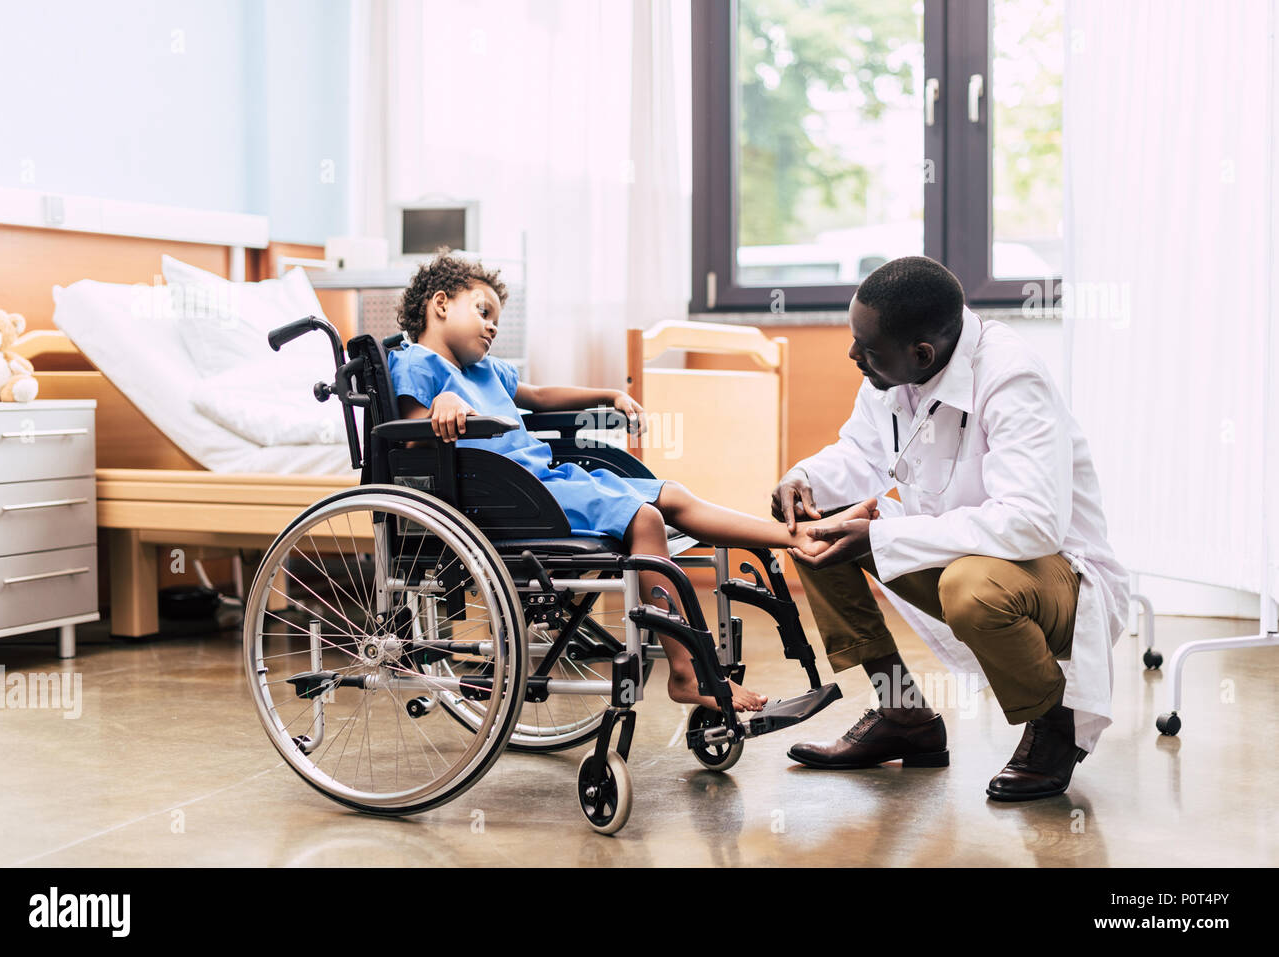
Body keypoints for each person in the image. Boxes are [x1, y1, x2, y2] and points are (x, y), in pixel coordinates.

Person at [387, 251, 877, 715]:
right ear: (441, 304)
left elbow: (536, 395)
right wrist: (440, 408)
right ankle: (687, 674)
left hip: (542, 484)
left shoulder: (484, 369)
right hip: (500, 498)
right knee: (646, 520)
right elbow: (410, 437)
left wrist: (609, 392)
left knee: (673, 496)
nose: (493, 325)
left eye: (496, 316)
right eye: (483, 310)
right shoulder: (415, 362)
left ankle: (800, 536)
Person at [775, 255, 1129, 801]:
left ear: (923, 352)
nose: (852, 355)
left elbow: (1032, 523)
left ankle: (1054, 728)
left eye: (866, 348)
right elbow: (858, 451)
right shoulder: (894, 372)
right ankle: (905, 716)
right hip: (960, 553)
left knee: (969, 588)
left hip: (1059, 578)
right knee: (818, 534)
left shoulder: (1012, 377)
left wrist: (882, 537)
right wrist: (804, 478)